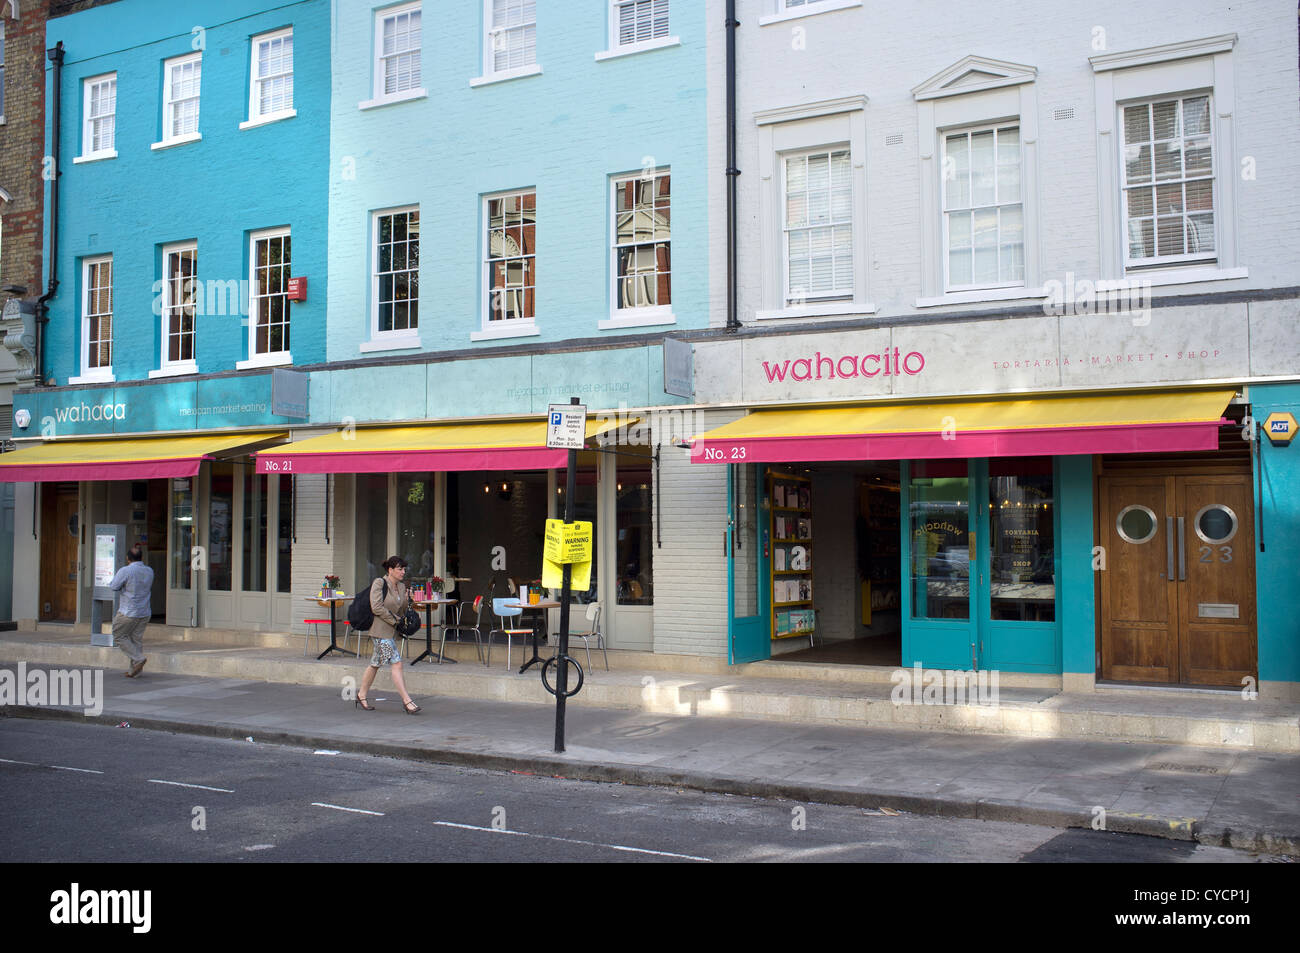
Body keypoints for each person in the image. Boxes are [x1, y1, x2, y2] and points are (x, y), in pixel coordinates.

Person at [356, 555, 421, 714]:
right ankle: (407, 701)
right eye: (400, 569)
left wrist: (408, 600)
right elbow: (376, 607)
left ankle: (361, 694)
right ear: (390, 570)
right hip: (380, 632)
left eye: (404, 569)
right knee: (396, 663)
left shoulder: (401, 586)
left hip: (391, 633)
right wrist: (396, 621)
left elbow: (402, 609)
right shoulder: (380, 583)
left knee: (375, 663)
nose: (403, 572)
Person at [109, 545, 154, 678]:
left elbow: (114, 586)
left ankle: (138, 659)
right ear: (142, 557)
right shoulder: (149, 570)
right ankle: (134, 671)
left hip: (128, 611)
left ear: (128, 558)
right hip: (145, 611)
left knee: (119, 635)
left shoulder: (126, 570)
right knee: (136, 640)